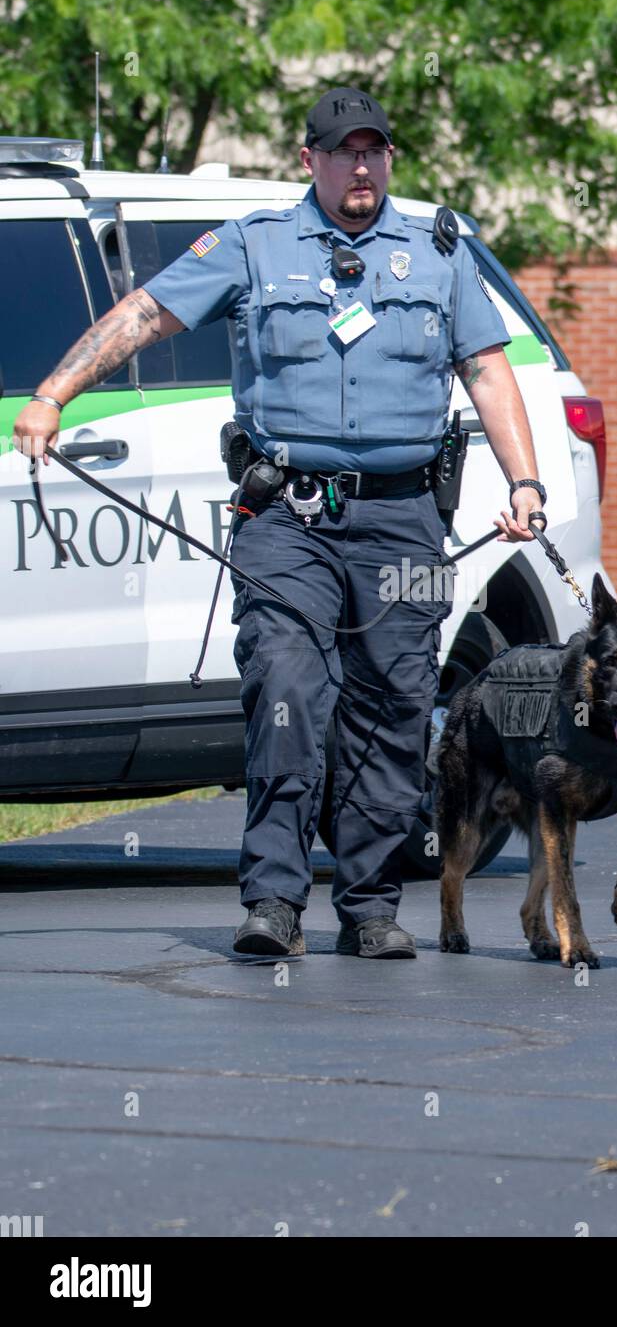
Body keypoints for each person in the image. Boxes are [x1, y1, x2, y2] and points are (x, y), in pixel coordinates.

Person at [12, 86, 547, 960]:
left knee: (397, 706)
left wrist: (524, 482)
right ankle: (273, 902)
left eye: (376, 150)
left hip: (404, 518)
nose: (363, 165)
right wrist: (50, 394)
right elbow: (147, 314)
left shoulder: (436, 255)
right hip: (286, 516)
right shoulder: (254, 246)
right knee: (288, 691)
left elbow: (487, 371)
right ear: (312, 161)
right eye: (345, 151)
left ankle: (371, 905)